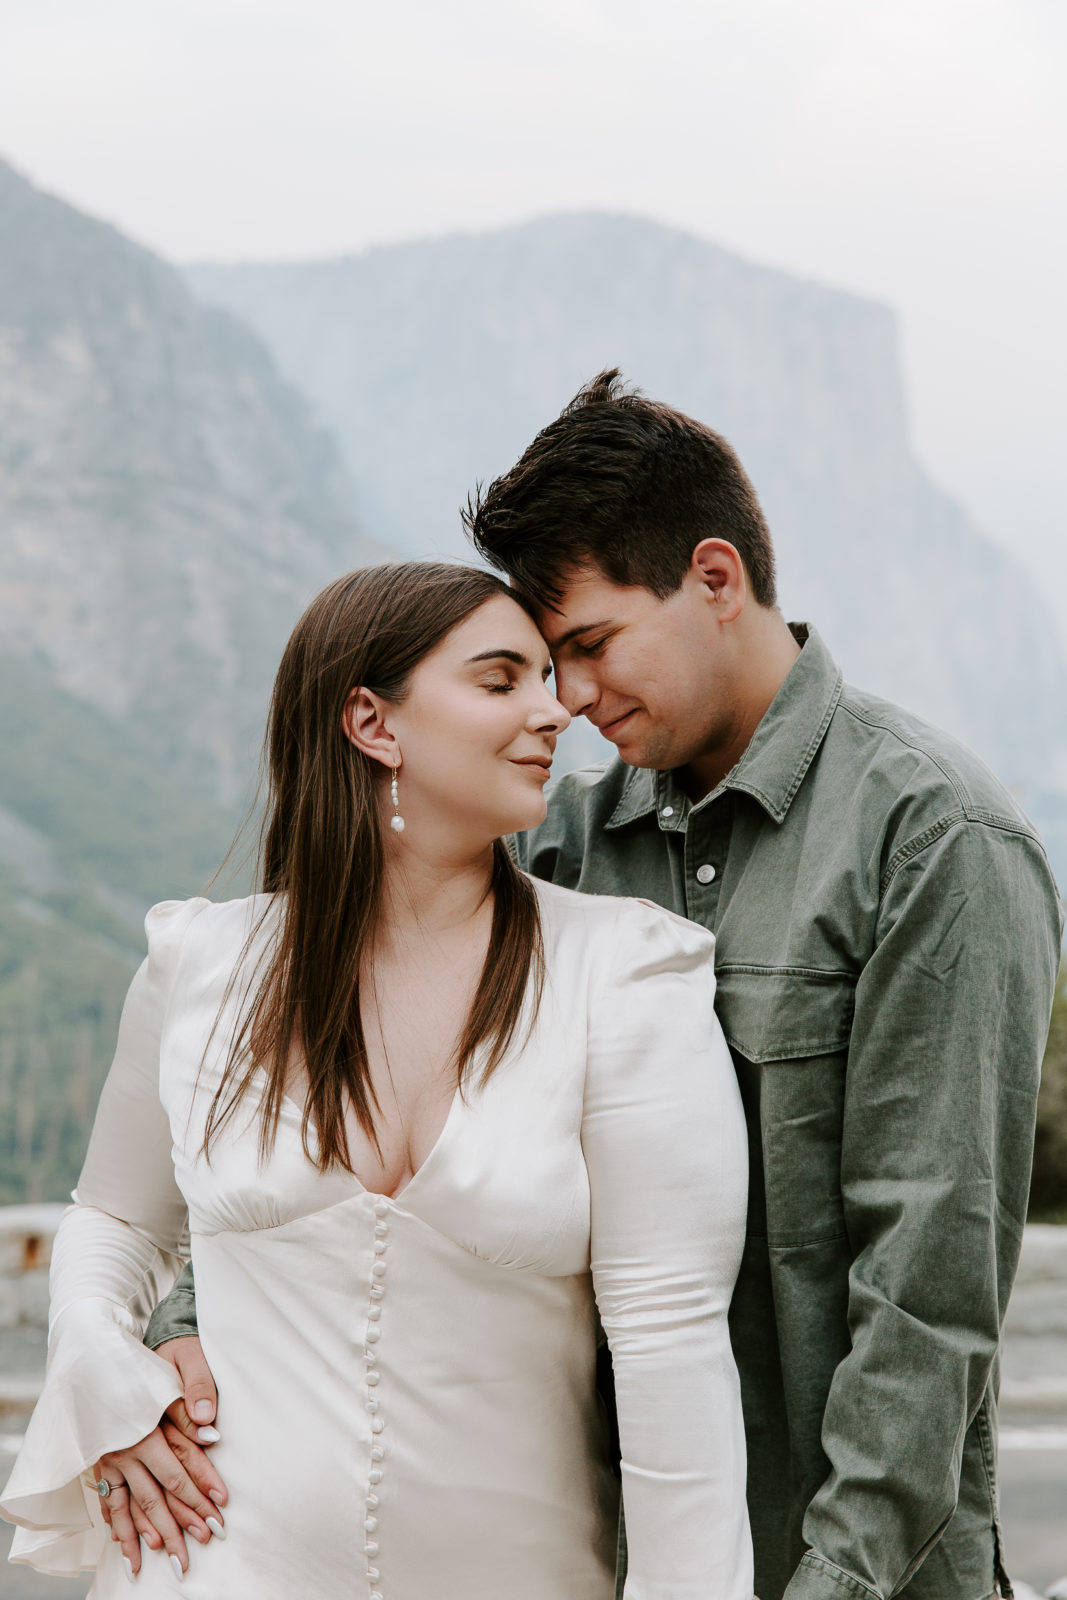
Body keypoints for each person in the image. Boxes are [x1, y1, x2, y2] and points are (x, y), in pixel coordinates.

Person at [75, 370, 1061, 1599]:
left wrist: (825, 1584)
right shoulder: (559, 848)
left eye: (589, 648)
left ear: (715, 578)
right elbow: (336, 1118)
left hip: (851, 1564)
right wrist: (179, 1332)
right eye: (543, 666)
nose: (571, 703)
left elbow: (927, 1290)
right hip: (596, 1553)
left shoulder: (934, 841)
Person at [0, 561, 754, 1598]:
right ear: (371, 721)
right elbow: (115, 1220)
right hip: (203, 1573)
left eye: (548, 677)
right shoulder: (198, 965)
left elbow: (672, 1354)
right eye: (501, 681)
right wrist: (101, 1365)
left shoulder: (622, 974)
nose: (553, 713)